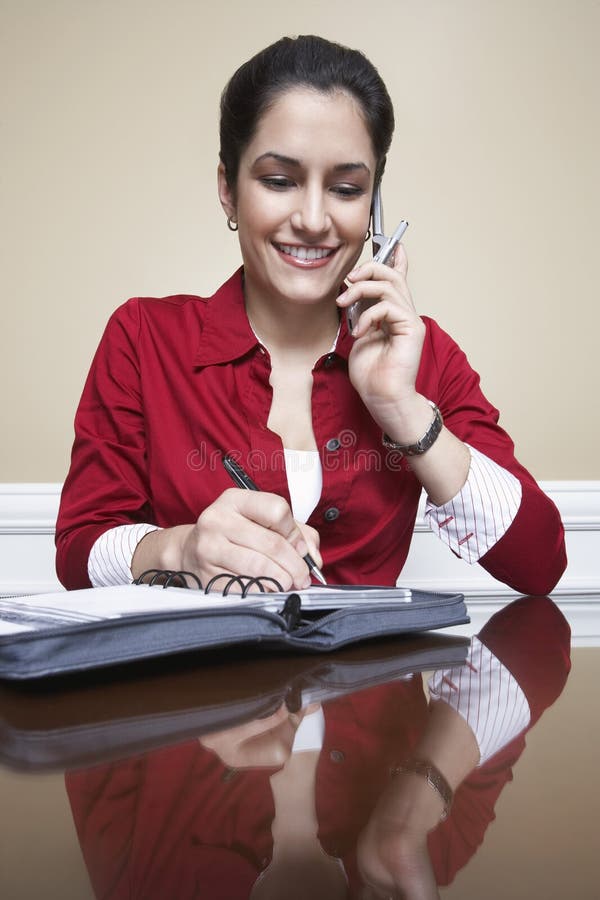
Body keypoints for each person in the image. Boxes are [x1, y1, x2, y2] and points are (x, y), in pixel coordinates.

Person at [55, 34, 566, 595]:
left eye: (346, 188)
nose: (315, 219)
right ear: (228, 188)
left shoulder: (423, 353)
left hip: (376, 683)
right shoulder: (143, 338)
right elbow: (79, 552)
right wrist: (179, 546)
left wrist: (401, 408)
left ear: (374, 204)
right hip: (196, 684)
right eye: (279, 181)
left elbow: (540, 563)